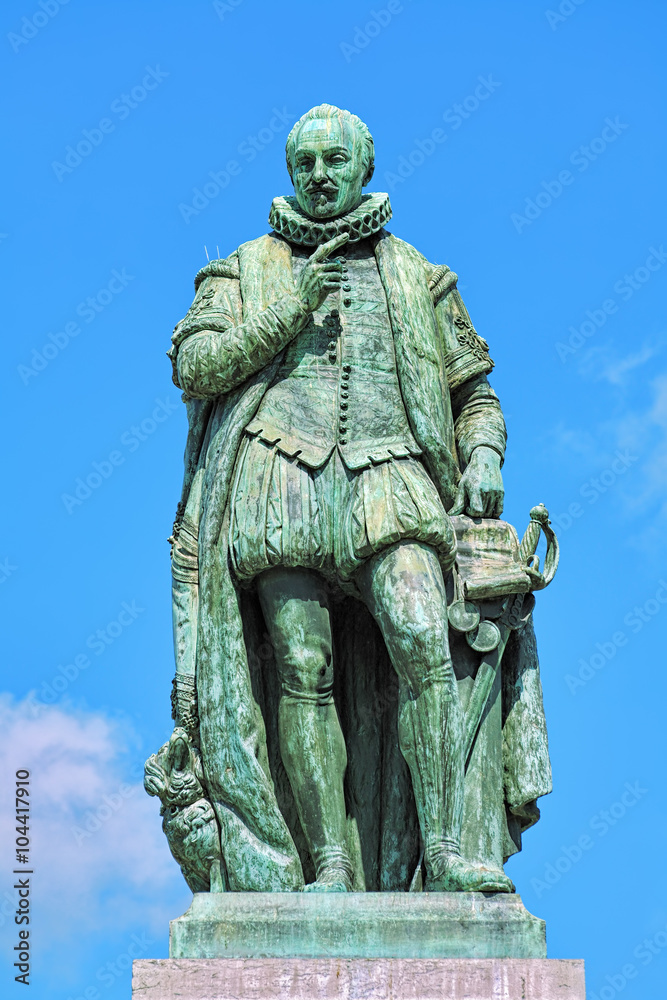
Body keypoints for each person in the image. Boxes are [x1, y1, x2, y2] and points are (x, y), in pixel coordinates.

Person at [165, 105, 550, 893]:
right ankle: (330, 866)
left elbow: (473, 392)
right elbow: (193, 367)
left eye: (333, 160)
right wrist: (287, 312)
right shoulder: (243, 268)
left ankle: (444, 850)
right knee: (300, 667)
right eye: (303, 162)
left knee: (422, 641)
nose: (318, 175)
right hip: (279, 474)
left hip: (391, 473)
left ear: (364, 166)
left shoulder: (418, 273)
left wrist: (481, 454)